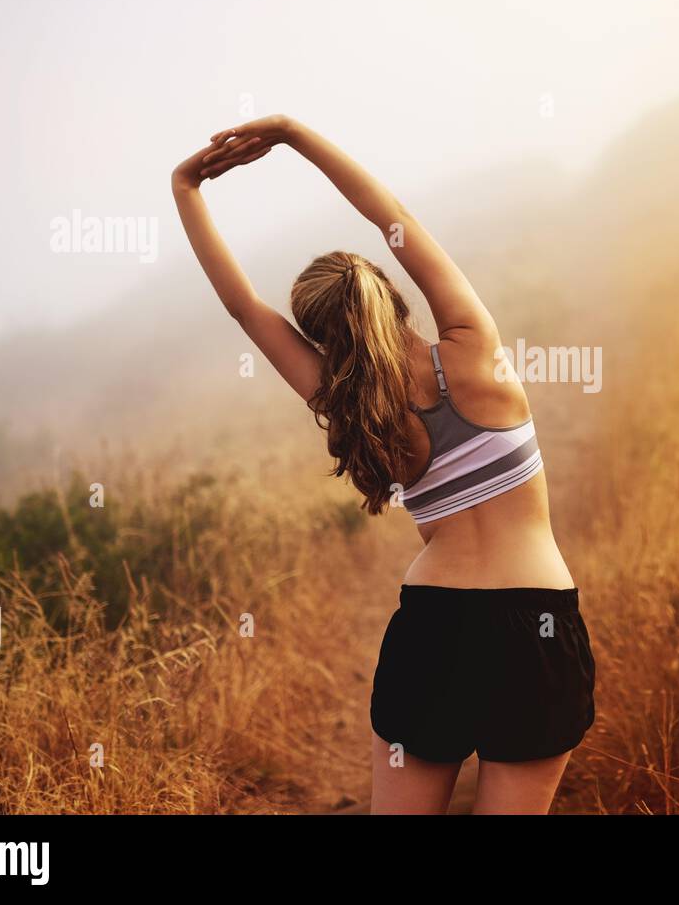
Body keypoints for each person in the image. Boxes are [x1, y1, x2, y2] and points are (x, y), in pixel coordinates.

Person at [170, 115, 595, 814]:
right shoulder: (473, 348)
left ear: (321, 338)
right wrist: (290, 134)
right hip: (537, 627)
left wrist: (186, 186)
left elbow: (244, 308)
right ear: (391, 296)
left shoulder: (350, 408)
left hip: (433, 629)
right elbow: (389, 214)